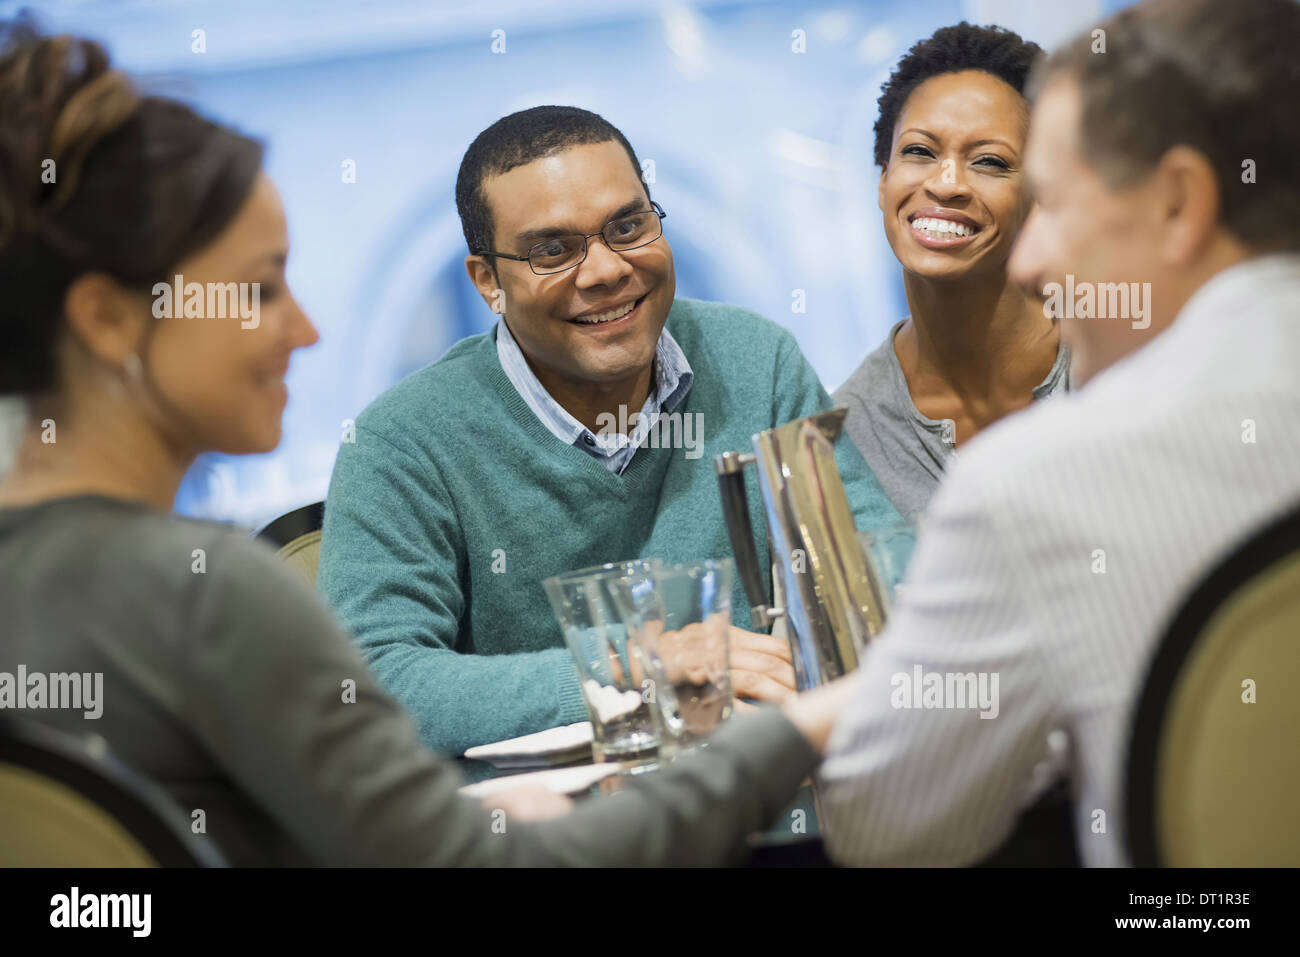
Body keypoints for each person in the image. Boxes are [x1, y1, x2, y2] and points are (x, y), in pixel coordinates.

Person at [0, 24, 853, 867]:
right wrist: (786, 732)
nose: (305, 327)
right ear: (109, 321)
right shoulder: (212, 596)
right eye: (259, 289)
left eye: (628, 226)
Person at [818, 0, 1300, 866]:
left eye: (1052, 198)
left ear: (1182, 202)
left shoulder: (1041, 478)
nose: (1037, 261)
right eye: (918, 151)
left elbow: (888, 828)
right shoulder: (842, 421)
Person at [316, 106, 902, 755]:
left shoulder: (754, 362)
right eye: (552, 250)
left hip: (769, 797)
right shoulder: (404, 442)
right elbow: (373, 682)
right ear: (489, 282)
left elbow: (869, 570)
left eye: (628, 226)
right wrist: (635, 666)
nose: (604, 270)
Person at [833, 23, 1068, 522]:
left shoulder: (1111, 365)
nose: (946, 185)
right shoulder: (852, 434)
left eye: (988, 161)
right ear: (883, 181)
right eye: (919, 151)